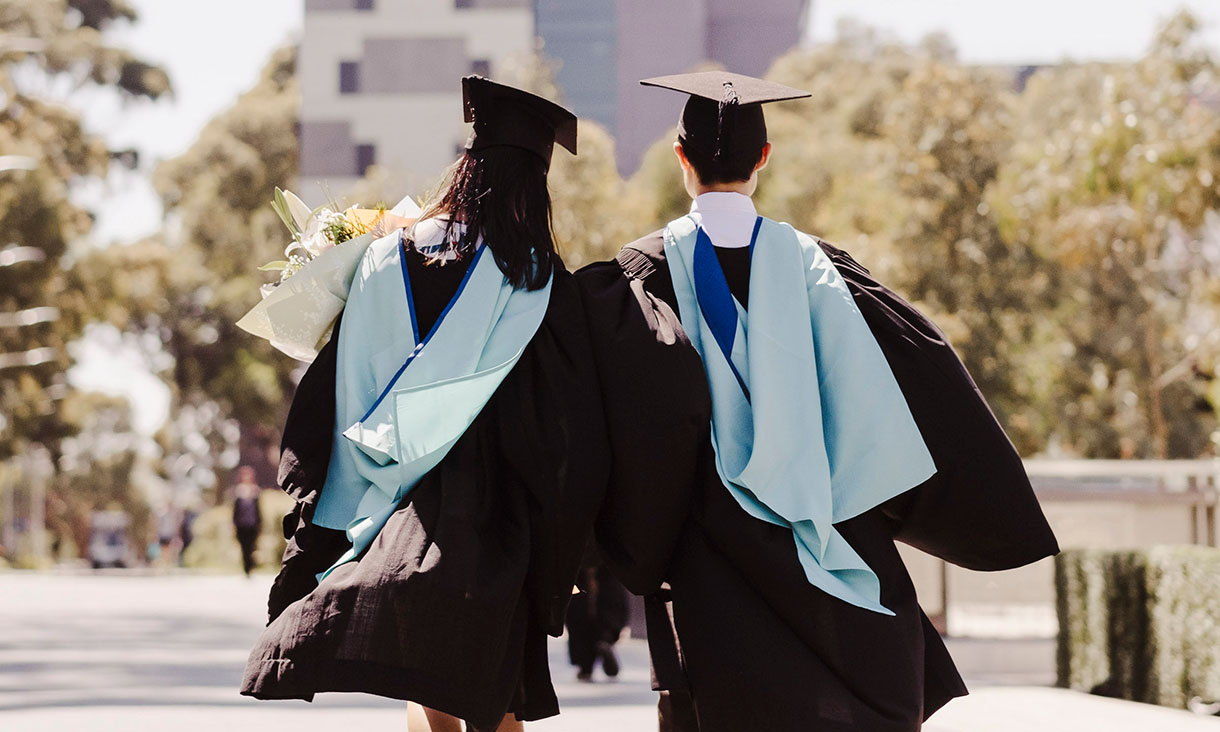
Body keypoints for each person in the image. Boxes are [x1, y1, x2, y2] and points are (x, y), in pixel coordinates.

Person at [577, 70, 1060, 732]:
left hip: (709, 565)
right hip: (830, 539)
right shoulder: (823, 271)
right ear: (764, 161)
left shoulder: (631, 279)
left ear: (681, 159)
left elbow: (607, 426)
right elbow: (922, 376)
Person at [240, 76, 609, 732]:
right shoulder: (538, 282)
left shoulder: (384, 257)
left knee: (428, 680)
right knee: (496, 700)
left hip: (393, 506)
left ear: (465, 167)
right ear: (534, 185)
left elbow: (342, 385)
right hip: (499, 519)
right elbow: (565, 422)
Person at [565, 563, 629, 682]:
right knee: (608, 601)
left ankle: (585, 666)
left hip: (581, 560)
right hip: (604, 558)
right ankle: (604, 641)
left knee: (579, 616)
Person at [232, 467, 262, 575]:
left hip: (252, 524)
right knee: (244, 546)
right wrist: (233, 523)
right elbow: (235, 510)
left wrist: (260, 523)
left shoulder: (256, 491)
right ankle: (246, 568)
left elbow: (258, 510)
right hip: (241, 524)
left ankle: (250, 566)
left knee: (251, 546)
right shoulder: (238, 492)